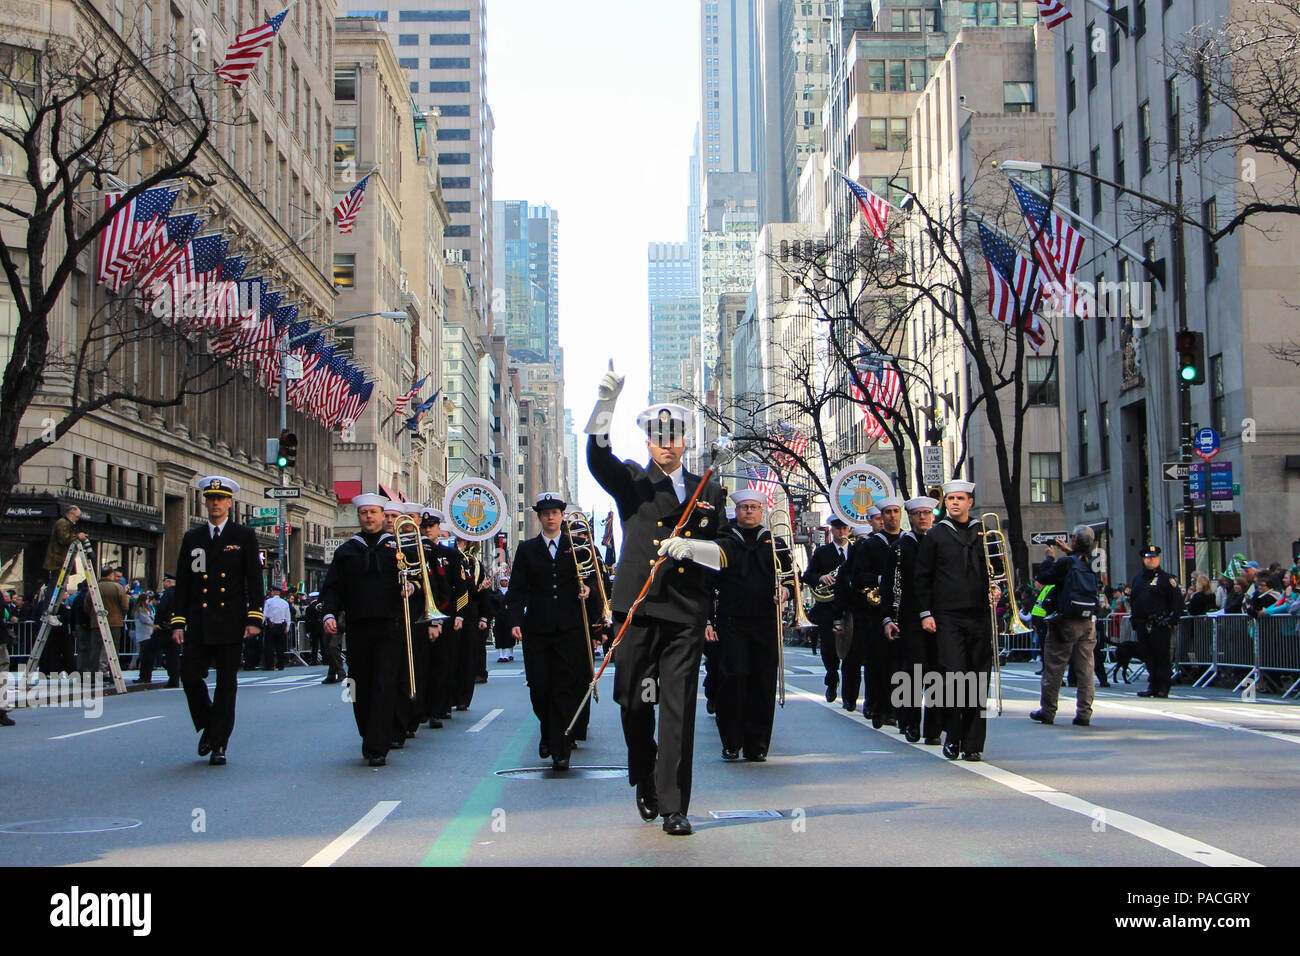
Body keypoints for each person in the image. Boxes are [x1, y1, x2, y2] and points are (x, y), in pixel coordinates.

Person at [585, 372, 728, 837]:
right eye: (658, 438)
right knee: (632, 700)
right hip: (639, 608)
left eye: (675, 437)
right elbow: (597, 457)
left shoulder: (708, 490)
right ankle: (643, 769)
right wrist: (606, 402)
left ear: (686, 442)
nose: (667, 445)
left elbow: (725, 548)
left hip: (685, 612)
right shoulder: (633, 482)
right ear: (648, 443)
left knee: (678, 707)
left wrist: (696, 550)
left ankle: (674, 805)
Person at [321, 494, 434, 766]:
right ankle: (368, 732)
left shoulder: (398, 549)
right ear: (359, 517)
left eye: (373, 512)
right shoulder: (346, 551)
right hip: (358, 628)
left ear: (383, 515)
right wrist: (329, 613)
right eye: (364, 513)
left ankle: (378, 745)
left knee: (384, 683)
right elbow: (333, 588)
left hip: (390, 627)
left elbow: (420, 579)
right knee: (358, 684)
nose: (369, 517)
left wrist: (412, 588)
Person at [171, 477, 264, 766]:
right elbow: (184, 582)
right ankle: (210, 724)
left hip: (230, 620)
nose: (214, 503)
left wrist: (254, 617)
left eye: (220, 499)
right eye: (210, 498)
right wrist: (177, 621)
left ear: (229, 503)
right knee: (189, 676)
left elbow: (254, 580)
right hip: (199, 620)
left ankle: (219, 741)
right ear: (205, 502)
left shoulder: (243, 536)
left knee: (226, 683)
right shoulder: (193, 538)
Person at [692, 490, 789, 762]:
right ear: (736, 511)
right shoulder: (722, 543)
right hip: (731, 622)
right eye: (744, 507)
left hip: (766, 622)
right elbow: (706, 586)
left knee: (763, 681)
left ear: (762, 511)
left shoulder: (774, 543)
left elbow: (791, 578)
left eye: (754, 507)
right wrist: (707, 621)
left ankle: (757, 744)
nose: (749, 512)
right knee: (733, 679)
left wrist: (786, 593)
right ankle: (731, 742)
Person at [912, 480, 1000, 762]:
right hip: (947, 616)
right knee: (953, 677)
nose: (954, 503)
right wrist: (926, 613)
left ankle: (973, 743)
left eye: (960, 498)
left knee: (978, 679)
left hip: (979, 615)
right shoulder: (936, 536)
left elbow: (997, 570)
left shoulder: (984, 532)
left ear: (970, 502)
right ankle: (953, 735)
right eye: (950, 498)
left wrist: (997, 589)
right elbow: (922, 577)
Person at [505, 492, 594, 770]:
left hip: (569, 629)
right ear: (540, 517)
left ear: (562, 515)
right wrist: (515, 621)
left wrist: (588, 591)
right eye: (546, 513)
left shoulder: (578, 546)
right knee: (540, 689)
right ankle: (548, 731)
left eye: (555, 512)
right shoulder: (527, 549)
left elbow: (593, 581)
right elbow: (517, 589)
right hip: (538, 629)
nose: (551, 517)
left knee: (564, 688)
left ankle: (561, 747)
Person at [838, 497, 904, 727]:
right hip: (873, 612)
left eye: (896, 512)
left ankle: (899, 707)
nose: (892, 517)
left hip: (902, 609)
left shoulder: (909, 542)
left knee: (902, 661)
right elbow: (856, 577)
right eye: (887, 513)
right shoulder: (867, 545)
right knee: (878, 661)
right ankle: (878, 705)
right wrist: (881, 579)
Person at [881, 496, 940, 744]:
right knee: (913, 670)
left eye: (927, 513)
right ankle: (910, 722)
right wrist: (887, 617)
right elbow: (890, 585)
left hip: (940, 615)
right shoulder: (900, 547)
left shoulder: (941, 542)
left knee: (938, 671)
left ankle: (934, 728)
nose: (923, 517)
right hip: (911, 616)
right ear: (911, 517)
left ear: (933, 516)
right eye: (918, 514)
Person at [1030, 525, 1101, 727]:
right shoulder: (1094, 562)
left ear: (1075, 541)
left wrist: (1049, 558)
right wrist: (1070, 551)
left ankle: (1048, 710)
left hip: (1066, 621)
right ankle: (1084, 713)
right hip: (1087, 621)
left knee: (1054, 667)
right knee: (1086, 669)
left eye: (1073, 538)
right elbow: (1082, 562)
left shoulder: (1065, 563)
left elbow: (1043, 578)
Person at [422, 508, 465, 726]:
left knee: (443, 664)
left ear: (439, 529)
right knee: (424, 665)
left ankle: (439, 708)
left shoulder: (451, 555)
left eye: (432, 526)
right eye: (425, 526)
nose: (428, 530)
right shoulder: (415, 553)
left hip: (447, 615)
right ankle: (423, 707)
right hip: (422, 617)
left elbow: (461, 588)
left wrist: (460, 615)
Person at [1127, 545, 1184, 699]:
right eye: (1147, 557)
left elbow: (1177, 602)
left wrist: (1171, 620)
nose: (1150, 560)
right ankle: (1153, 685)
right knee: (1148, 656)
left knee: (1162, 656)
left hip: (1160, 624)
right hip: (1142, 623)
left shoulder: (1167, 579)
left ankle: (1163, 686)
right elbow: (1134, 600)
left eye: (1153, 557)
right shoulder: (1138, 579)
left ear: (1158, 558)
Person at [803, 517, 850, 702]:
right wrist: (821, 578)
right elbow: (808, 575)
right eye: (838, 528)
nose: (841, 532)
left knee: (852, 650)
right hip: (827, 606)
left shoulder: (856, 550)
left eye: (844, 528)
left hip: (850, 607)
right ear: (832, 530)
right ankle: (832, 677)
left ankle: (848, 691)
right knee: (829, 647)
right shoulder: (822, 552)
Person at [137, 574, 179, 686]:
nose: (164, 584)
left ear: (169, 582)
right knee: (173, 655)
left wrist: (157, 623)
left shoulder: (168, 593)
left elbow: (162, 608)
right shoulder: (181, 593)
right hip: (176, 627)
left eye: (165, 581)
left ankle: (145, 676)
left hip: (164, 627)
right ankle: (174, 679)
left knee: (149, 650)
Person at [93, 567, 130, 673]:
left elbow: (87, 605)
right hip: (114, 622)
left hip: (96, 622)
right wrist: (120, 616)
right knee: (113, 648)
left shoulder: (95, 587)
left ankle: (99, 671)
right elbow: (125, 606)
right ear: (110, 575)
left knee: (97, 647)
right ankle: (113, 672)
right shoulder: (117, 588)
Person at [43, 505, 88, 588]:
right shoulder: (62, 523)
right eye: (77, 517)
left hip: (61, 560)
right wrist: (78, 536)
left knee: (59, 583)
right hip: (58, 561)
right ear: (71, 514)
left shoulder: (66, 523)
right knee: (55, 584)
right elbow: (64, 539)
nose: (77, 519)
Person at [261, 585, 291, 670]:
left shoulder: (268, 602)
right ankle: (281, 664)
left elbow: (265, 614)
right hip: (281, 626)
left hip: (271, 626)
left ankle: (269, 665)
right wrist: (287, 627)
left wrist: (261, 624)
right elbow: (287, 616)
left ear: (273, 592)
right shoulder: (284, 602)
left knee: (269, 647)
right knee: (280, 647)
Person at [492, 573, 514, 662]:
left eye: (505, 581)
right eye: (502, 581)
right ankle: (501, 655)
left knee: (508, 635)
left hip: (509, 616)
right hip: (499, 616)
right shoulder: (496, 592)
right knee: (499, 635)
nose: (504, 582)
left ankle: (507, 654)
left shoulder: (511, 592)